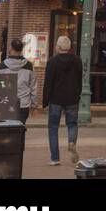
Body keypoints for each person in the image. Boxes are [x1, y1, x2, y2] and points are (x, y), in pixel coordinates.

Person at [42, 35, 83, 166]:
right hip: (72, 98)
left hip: (56, 99)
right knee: (72, 124)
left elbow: (48, 83)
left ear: (58, 47)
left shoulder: (52, 62)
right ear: (70, 47)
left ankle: (55, 158)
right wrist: (78, 94)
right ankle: (71, 142)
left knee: (53, 127)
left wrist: (45, 101)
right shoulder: (77, 61)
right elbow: (79, 80)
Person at [0, 39, 35, 124]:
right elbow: (33, 86)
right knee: (20, 130)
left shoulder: (2, 66)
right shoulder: (29, 66)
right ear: (21, 50)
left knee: (7, 130)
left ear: (11, 49)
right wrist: (34, 104)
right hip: (23, 104)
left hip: (6, 103)